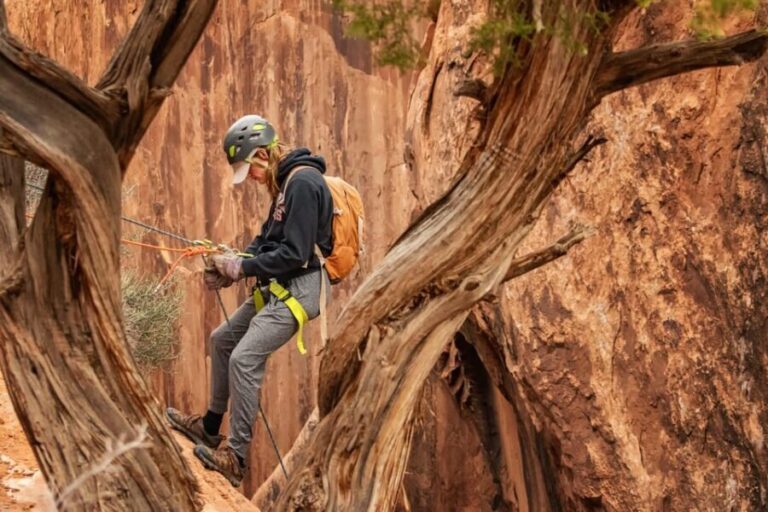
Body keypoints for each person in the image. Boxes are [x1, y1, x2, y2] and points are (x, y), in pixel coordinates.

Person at [166, 114, 333, 487]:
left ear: (262, 153)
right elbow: (265, 241)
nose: (251, 177)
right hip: (279, 285)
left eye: (249, 169)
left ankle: (236, 458)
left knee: (244, 359)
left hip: (300, 290)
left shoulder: (303, 183)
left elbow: (294, 252)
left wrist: (242, 270)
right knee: (222, 340)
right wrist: (233, 264)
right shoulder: (283, 185)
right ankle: (210, 428)